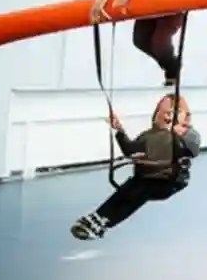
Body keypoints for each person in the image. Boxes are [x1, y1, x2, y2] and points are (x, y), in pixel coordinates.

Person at [70, 94, 200, 240]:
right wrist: (119, 130)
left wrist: (184, 132)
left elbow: (193, 149)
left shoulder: (186, 136)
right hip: (146, 176)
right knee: (127, 189)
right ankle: (99, 217)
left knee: (139, 192)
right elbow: (130, 150)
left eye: (172, 113)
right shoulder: (148, 136)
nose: (167, 116)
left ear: (185, 117)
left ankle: (107, 221)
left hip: (169, 180)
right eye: (163, 112)